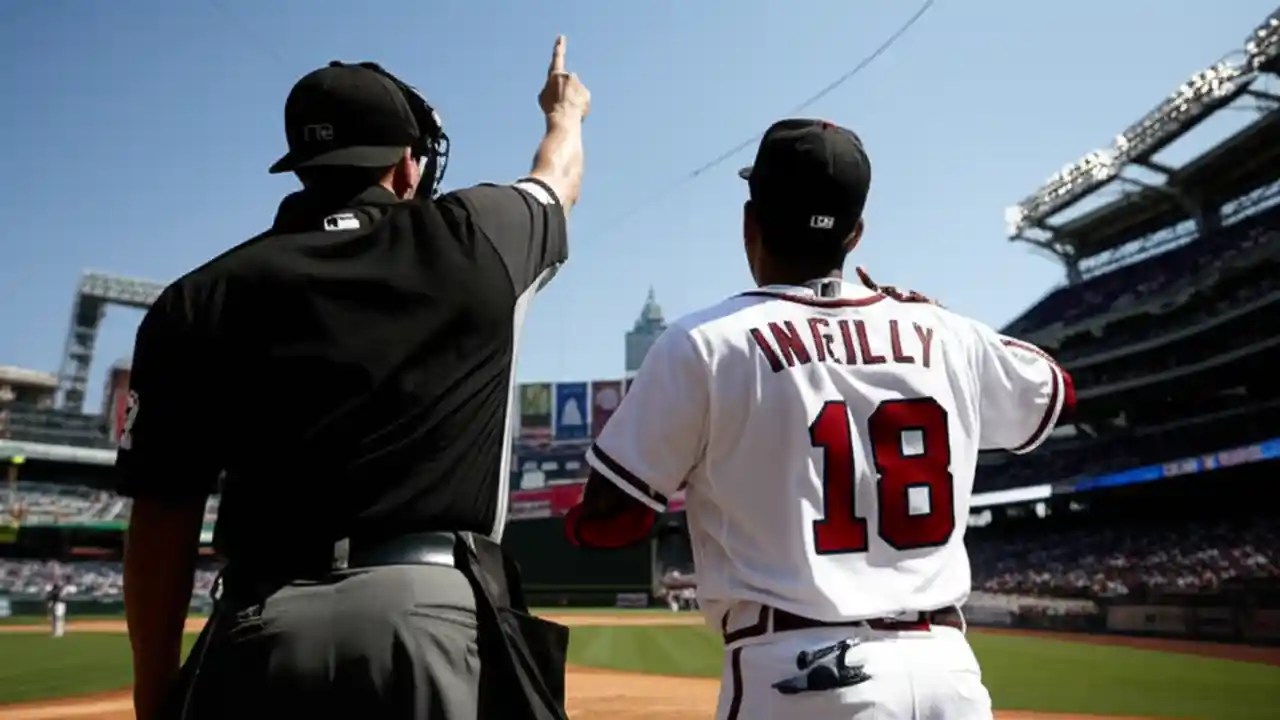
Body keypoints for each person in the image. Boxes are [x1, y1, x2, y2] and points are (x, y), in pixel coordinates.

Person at [116, 36, 590, 720]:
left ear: (302, 167)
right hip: (432, 622)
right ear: (406, 164)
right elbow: (557, 179)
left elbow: (161, 518)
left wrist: (156, 696)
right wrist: (564, 112)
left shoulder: (197, 298)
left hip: (260, 626)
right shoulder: (479, 238)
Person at [564, 118, 1075, 719]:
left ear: (749, 223)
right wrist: (931, 317)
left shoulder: (704, 343)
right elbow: (1057, 392)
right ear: (855, 235)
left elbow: (611, 522)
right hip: (948, 679)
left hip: (799, 675)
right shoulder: (946, 335)